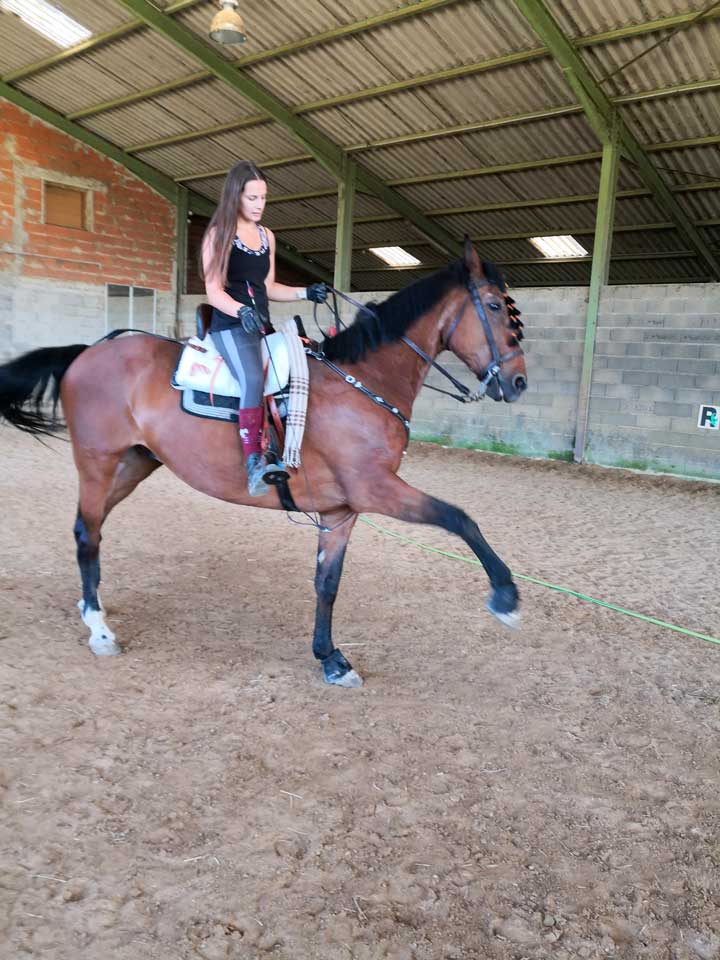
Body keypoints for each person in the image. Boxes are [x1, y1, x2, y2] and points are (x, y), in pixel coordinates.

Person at [201, 161, 328, 496]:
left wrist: (305, 292)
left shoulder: (266, 236)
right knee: (253, 378)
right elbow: (213, 290)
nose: (259, 205)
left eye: (263, 198)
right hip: (231, 325)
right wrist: (241, 310)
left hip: (261, 325)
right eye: (252, 198)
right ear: (236, 196)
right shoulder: (218, 234)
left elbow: (269, 287)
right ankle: (253, 461)